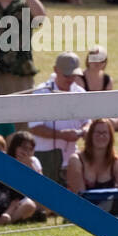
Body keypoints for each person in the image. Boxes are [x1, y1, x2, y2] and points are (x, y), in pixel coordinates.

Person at [29, 51, 88, 183]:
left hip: (71, 157)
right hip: (45, 155)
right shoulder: (41, 92)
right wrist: (61, 134)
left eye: (74, 75)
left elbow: (87, 122)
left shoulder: (80, 92)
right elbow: (34, 127)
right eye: (67, 75)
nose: (71, 79)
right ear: (56, 70)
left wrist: (84, 131)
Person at [65, 118, 118, 215]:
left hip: (111, 209)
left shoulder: (117, 162)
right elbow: (80, 196)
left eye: (104, 133)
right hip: (80, 211)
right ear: (90, 136)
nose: (101, 136)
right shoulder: (76, 160)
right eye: (97, 133)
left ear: (110, 137)